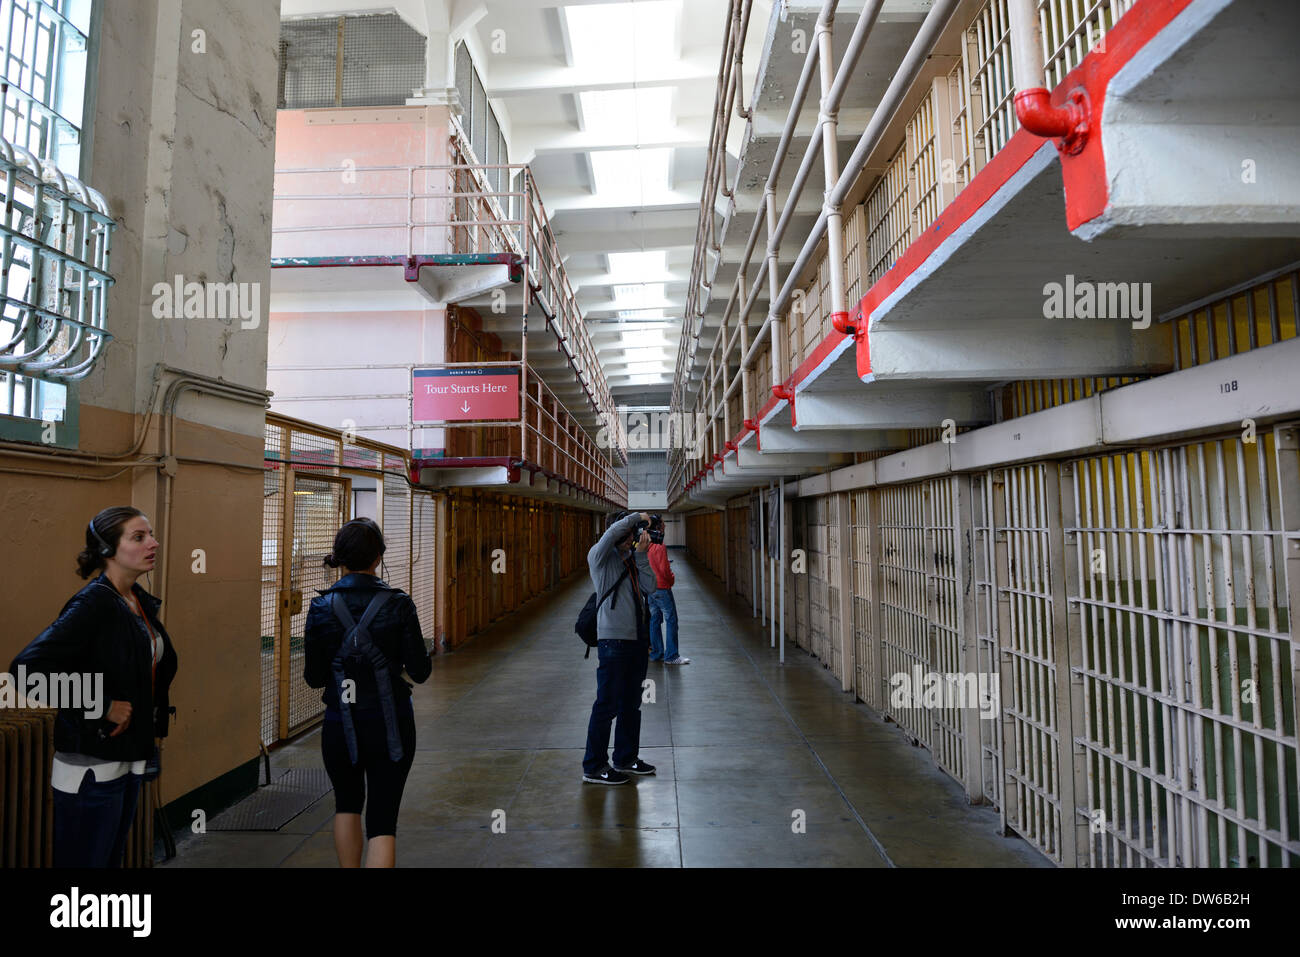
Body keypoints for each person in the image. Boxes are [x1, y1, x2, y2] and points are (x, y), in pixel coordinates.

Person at [9, 506, 178, 868]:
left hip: (127, 757)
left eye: (150, 534)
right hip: (90, 768)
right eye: (139, 537)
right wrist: (101, 705)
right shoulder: (93, 603)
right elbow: (26, 670)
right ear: (107, 550)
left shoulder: (136, 601)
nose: (154, 543)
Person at [304, 517, 432, 867]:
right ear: (378, 557)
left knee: (346, 803)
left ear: (339, 558)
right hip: (390, 724)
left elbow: (314, 678)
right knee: (382, 818)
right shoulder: (399, 604)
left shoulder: (320, 607)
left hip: (338, 724)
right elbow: (420, 672)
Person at [582, 510, 658, 785]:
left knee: (631, 705)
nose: (630, 539)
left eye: (632, 535)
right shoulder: (600, 558)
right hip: (612, 641)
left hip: (637, 640)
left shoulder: (631, 560)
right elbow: (612, 535)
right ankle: (594, 765)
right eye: (627, 534)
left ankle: (626, 758)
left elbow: (652, 586)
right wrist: (636, 516)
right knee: (607, 704)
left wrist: (641, 556)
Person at [647, 538, 689, 665]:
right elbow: (664, 570)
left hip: (650, 587)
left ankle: (657, 653)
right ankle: (671, 655)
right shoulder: (660, 546)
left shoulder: (645, 545)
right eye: (662, 525)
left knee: (655, 620)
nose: (664, 527)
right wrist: (671, 580)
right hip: (662, 588)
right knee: (671, 620)